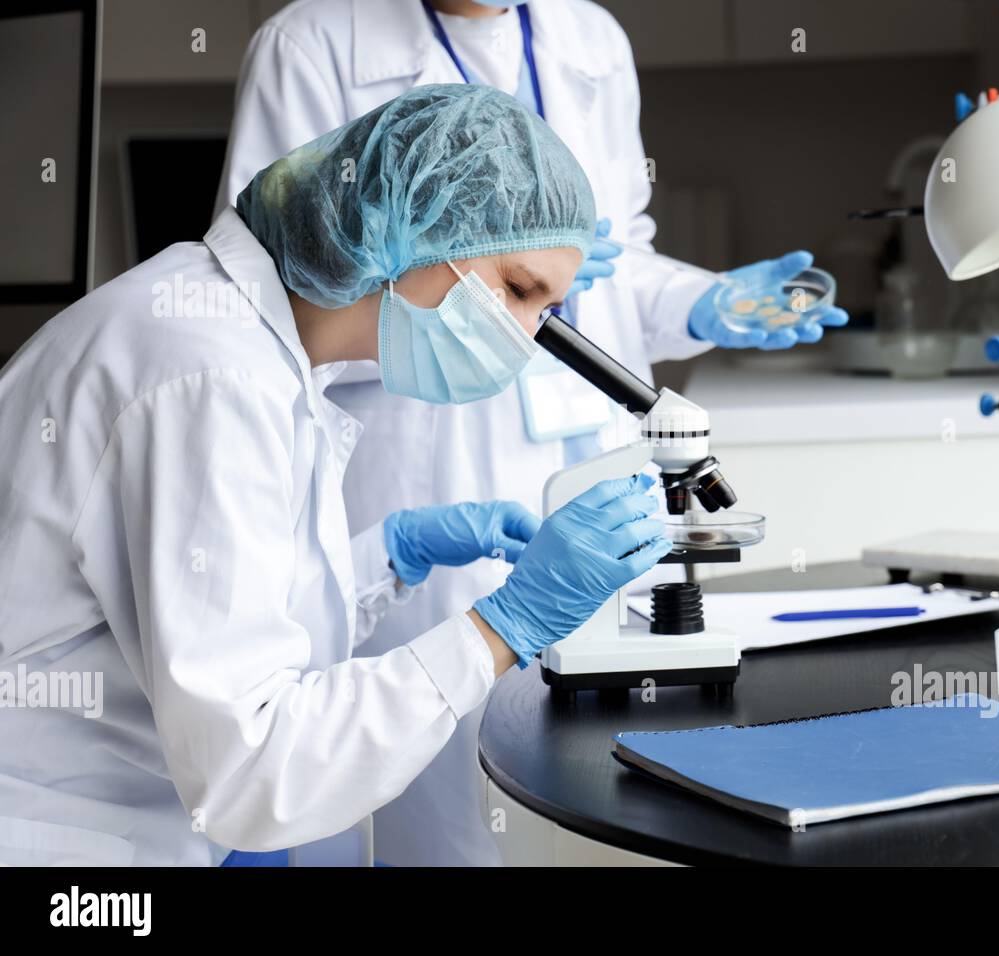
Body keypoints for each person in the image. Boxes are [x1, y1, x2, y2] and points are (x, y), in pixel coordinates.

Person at [215, 0, 850, 866]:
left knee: (596, 772)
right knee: (443, 787)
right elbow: (291, 275)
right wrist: (482, 297)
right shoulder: (316, 39)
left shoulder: (589, 37)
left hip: (579, 453)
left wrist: (697, 301)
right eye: (517, 291)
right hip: (425, 456)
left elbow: (609, 268)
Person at [0, 85, 671, 866]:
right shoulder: (210, 377)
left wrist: (387, 557)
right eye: (520, 292)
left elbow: (209, 623)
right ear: (411, 225)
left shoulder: (236, 335)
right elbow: (254, 772)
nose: (526, 341)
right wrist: (503, 628)